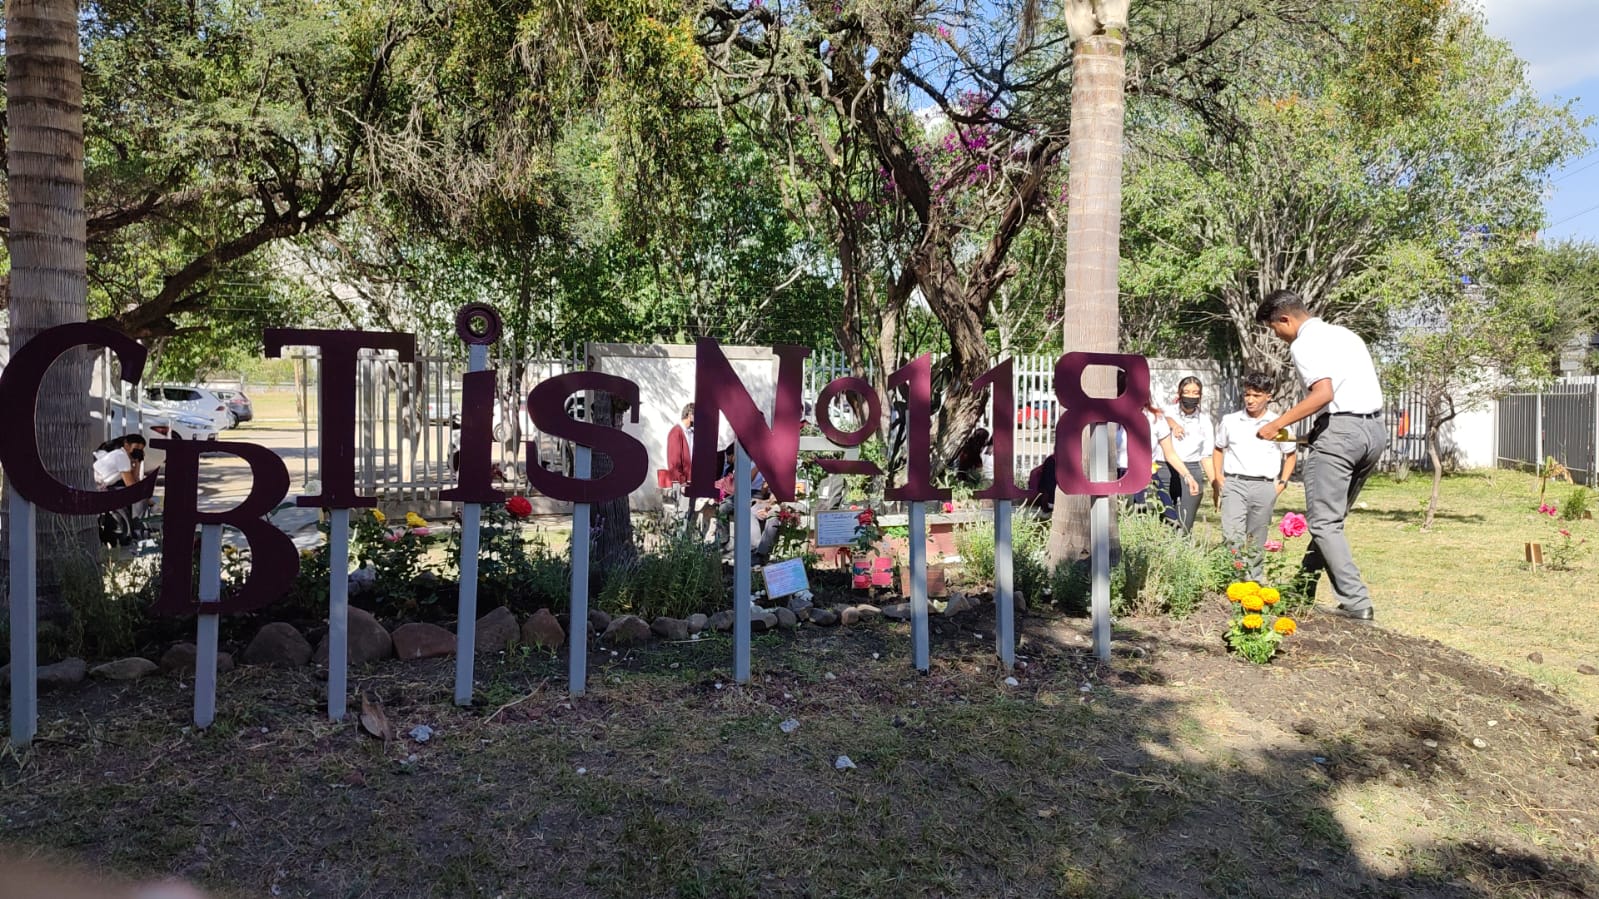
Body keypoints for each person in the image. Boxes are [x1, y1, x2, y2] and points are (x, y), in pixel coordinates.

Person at [1255, 289, 1385, 622]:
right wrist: (1321, 429)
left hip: (1342, 434)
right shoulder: (1346, 335)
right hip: (1372, 432)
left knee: (1324, 521)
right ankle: (1302, 589)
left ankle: (1357, 603)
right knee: (1331, 519)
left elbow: (1323, 393)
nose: (1278, 337)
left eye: (1274, 328)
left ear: (1286, 318)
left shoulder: (1304, 343)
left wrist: (1277, 425)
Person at [1212, 371, 1297, 579]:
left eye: (1256, 395)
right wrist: (1218, 476)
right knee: (1232, 535)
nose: (1250, 400)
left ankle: (1254, 580)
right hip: (1235, 482)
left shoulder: (1278, 423)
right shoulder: (1230, 421)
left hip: (1264, 486)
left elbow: (1290, 454)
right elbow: (1218, 448)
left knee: (1257, 536)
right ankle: (1233, 578)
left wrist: (1282, 484)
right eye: (1247, 394)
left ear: (1268, 396)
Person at [1164, 376, 1217, 534]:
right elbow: (1159, 418)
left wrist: (1215, 485)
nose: (1191, 396)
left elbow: (1206, 456)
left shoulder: (1204, 421)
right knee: (1163, 522)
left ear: (1200, 396)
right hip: (1165, 469)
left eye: (1195, 392)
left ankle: (1180, 554)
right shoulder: (1167, 412)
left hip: (1192, 468)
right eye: (1186, 392)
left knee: (1184, 525)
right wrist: (1173, 424)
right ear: (1179, 393)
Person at [664, 403, 695, 525]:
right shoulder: (676, 432)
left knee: (689, 513)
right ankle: (678, 541)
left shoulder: (691, 432)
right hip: (682, 482)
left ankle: (685, 541)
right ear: (690, 415)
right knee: (681, 514)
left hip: (690, 481)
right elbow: (674, 461)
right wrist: (682, 482)